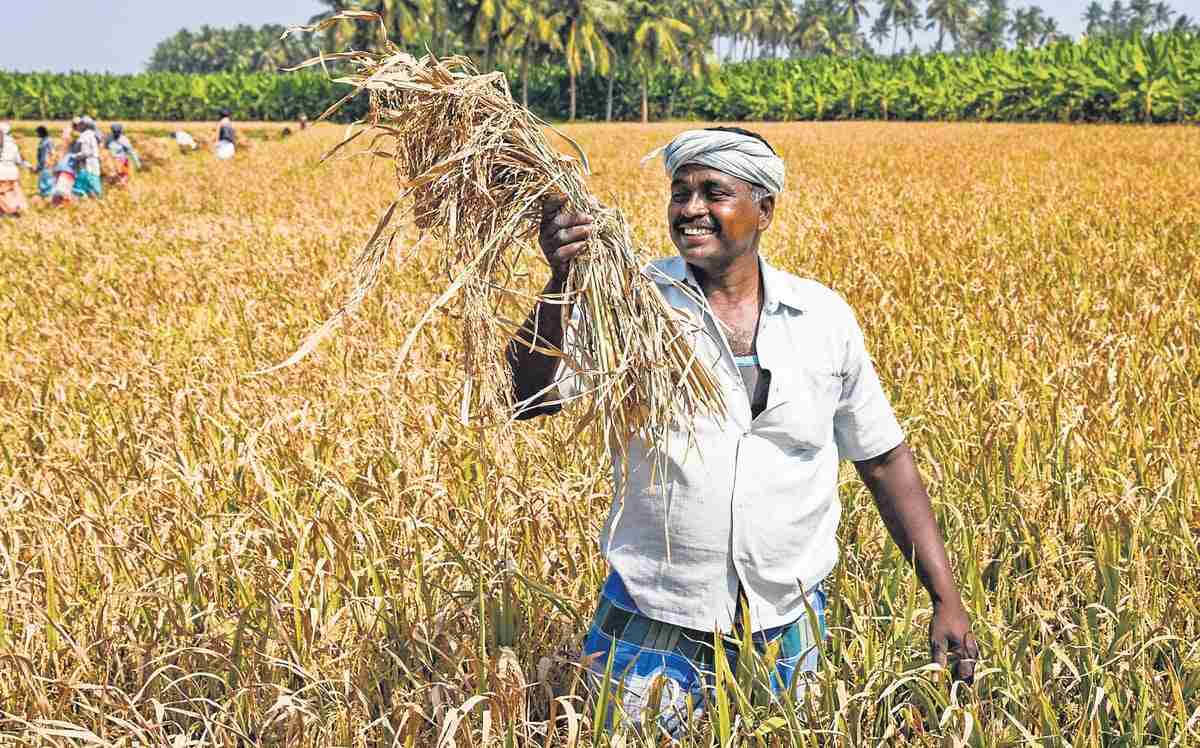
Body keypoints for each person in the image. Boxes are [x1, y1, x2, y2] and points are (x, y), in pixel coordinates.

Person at [507, 128, 979, 737]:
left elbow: (883, 460)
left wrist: (945, 597)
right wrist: (561, 281)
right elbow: (528, 397)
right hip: (655, 610)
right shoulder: (631, 303)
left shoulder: (822, 320)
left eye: (714, 192)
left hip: (786, 619)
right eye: (680, 193)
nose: (691, 209)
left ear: (765, 210)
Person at [0, 123, 34, 217]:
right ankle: (18, 209)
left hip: (2, 173)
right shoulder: (13, 145)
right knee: (14, 193)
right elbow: (19, 160)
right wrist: (30, 166)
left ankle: (10, 211)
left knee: (3, 194)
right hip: (13, 173)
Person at [72, 117, 103, 199]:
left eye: (79, 125)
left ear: (83, 125)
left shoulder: (84, 136)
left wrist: (73, 157)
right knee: (95, 189)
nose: (78, 127)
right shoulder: (92, 134)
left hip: (87, 166)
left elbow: (85, 153)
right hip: (94, 165)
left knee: (80, 189)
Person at [50, 125, 77, 206]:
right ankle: (61, 204)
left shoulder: (63, 146)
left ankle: (59, 204)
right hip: (66, 169)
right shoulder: (70, 145)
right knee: (62, 190)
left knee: (61, 190)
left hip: (64, 169)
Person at [35, 125, 56, 198]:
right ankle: (44, 194)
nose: (36, 134)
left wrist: (51, 162)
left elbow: (52, 152)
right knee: (42, 179)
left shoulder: (49, 140)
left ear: (41, 132)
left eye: (37, 132)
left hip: (47, 163)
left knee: (47, 179)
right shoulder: (42, 140)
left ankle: (49, 195)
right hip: (42, 163)